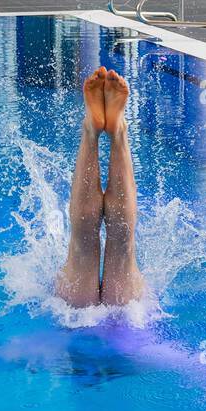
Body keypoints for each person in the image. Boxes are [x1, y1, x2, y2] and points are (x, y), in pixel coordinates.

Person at [56, 68, 148, 308]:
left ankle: (91, 131)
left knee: (81, 244)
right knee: (123, 245)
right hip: (127, 328)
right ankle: (117, 132)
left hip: (73, 323)